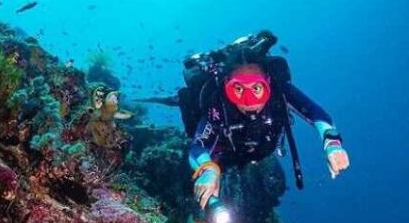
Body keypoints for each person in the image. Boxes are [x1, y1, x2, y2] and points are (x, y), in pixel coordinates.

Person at [139, 32, 351, 212]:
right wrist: (208, 169)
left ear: (268, 83)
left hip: (262, 149)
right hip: (225, 154)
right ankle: (171, 99)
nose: (249, 101)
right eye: (238, 90)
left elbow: (316, 114)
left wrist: (332, 143)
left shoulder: (280, 90)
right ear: (227, 87)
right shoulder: (218, 105)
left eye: (257, 89)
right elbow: (198, 146)